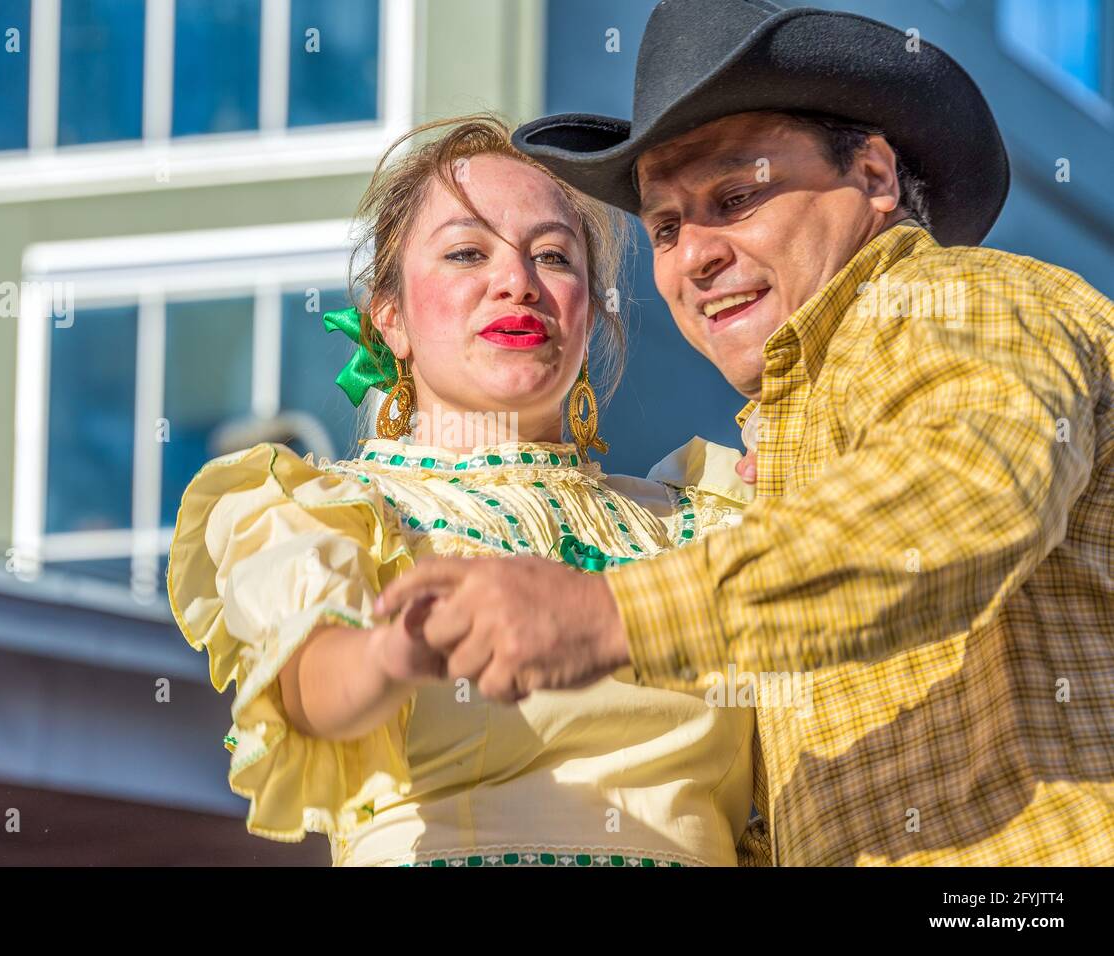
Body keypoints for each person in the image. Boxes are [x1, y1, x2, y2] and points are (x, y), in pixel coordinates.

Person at [375, 0, 1114, 866]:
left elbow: (966, 501)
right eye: (665, 227)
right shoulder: (763, 462)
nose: (694, 258)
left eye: (736, 196)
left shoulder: (959, 301)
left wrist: (608, 612)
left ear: (876, 176)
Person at [166, 115, 758, 867]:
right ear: (392, 320)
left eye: (552, 256)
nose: (517, 282)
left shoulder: (709, 515)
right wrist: (397, 650)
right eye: (466, 252)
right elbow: (313, 691)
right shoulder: (326, 507)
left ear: (589, 316)